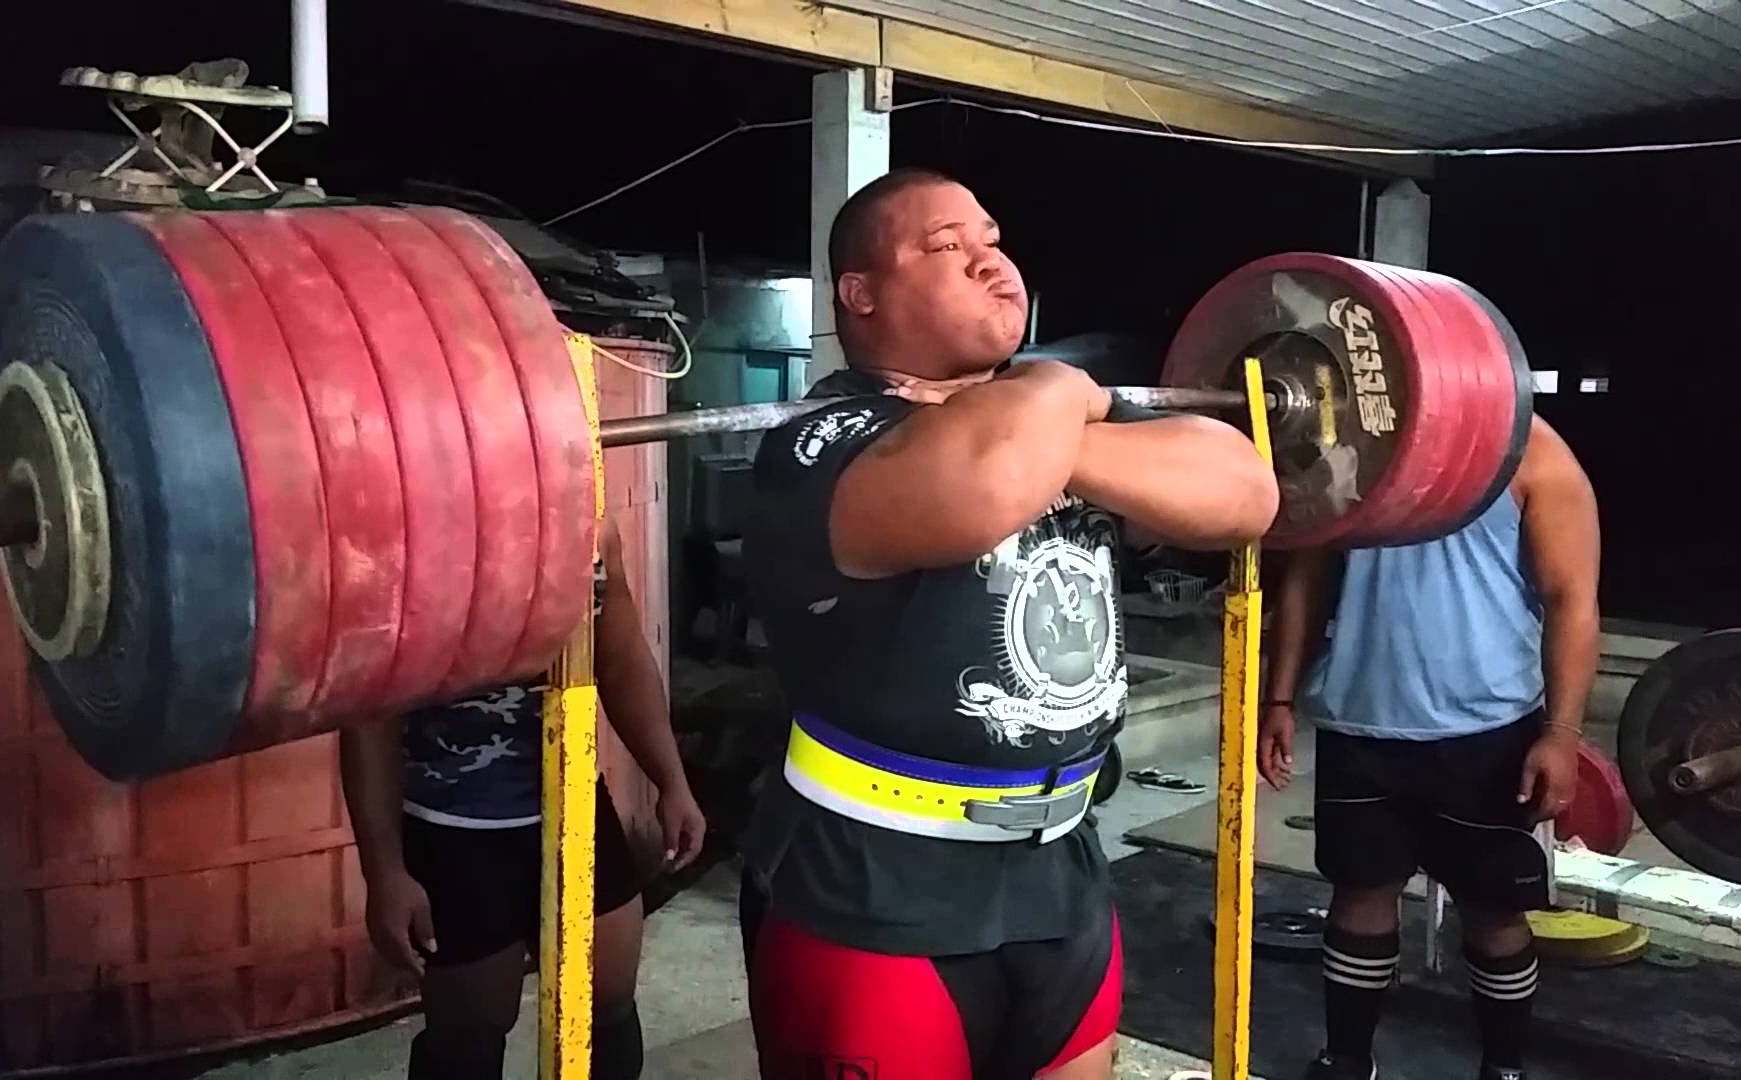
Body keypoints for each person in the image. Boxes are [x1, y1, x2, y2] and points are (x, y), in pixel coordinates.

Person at [739, 168, 1281, 1080]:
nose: (991, 264)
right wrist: (1064, 389)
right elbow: (981, 484)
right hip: (876, 877)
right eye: (947, 247)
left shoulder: (1041, 420)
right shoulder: (819, 440)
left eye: (992, 241)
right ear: (860, 294)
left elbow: (1244, 492)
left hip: (1061, 866)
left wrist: (1050, 426)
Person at [1259, 417, 1601, 1080]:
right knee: (1360, 894)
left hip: (1489, 731)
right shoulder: (1351, 438)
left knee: (1495, 911)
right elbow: (1308, 572)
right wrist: (1279, 698)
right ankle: (1347, 1060)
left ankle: (1504, 1067)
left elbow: (1573, 600)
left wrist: (1562, 734)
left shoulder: (1533, 451)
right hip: (1360, 721)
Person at [340, 516, 706, 1080]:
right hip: (453, 823)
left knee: (608, 1000)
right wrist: (384, 869)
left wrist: (671, 780)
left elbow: (621, 659)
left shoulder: (591, 526)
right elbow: (370, 716)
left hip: (575, 800)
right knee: (470, 1030)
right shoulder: (409, 528)